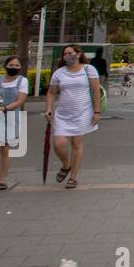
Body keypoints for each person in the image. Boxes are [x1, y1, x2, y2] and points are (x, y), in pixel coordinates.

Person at [46, 44, 101, 190]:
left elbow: (96, 91)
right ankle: (66, 165)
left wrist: (97, 112)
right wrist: (49, 108)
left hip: (82, 112)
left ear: (78, 54)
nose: (67, 56)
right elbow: (52, 92)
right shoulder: (59, 73)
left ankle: (73, 177)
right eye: (64, 54)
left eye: (69, 53)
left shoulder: (89, 70)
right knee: (59, 144)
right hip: (63, 114)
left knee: (76, 144)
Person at [0, 55, 29, 191]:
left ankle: (2, 179)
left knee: (5, 149)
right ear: (5, 66)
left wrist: (4, 108)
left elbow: (20, 101)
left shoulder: (22, 81)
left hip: (11, 118)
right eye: (11, 65)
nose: (13, 68)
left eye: (16, 66)